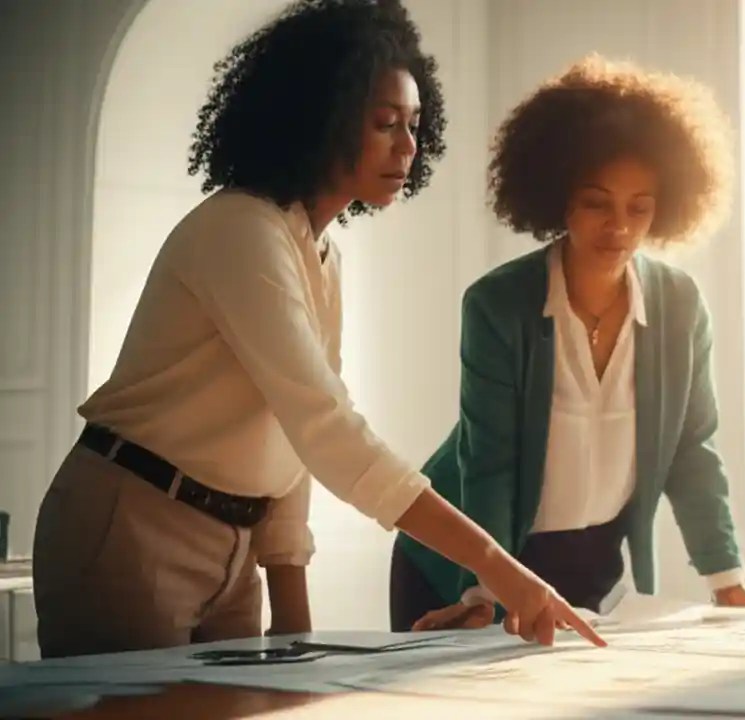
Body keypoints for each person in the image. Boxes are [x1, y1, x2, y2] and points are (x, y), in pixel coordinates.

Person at [32, 0, 601, 658]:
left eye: (416, 125)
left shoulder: (322, 254)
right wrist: (502, 569)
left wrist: (293, 617)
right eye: (385, 123)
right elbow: (326, 428)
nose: (409, 147)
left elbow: (291, 442)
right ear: (319, 119)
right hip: (131, 525)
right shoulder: (241, 230)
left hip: (234, 544)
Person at [390, 56, 745, 633]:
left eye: (639, 207)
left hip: (593, 567)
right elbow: (488, 462)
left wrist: (728, 583)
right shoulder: (496, 305)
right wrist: (482, 592)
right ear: (559, 197)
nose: (619, 227)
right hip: (460, 567)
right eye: (596, 202)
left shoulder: (680, 305)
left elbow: (693, 450)